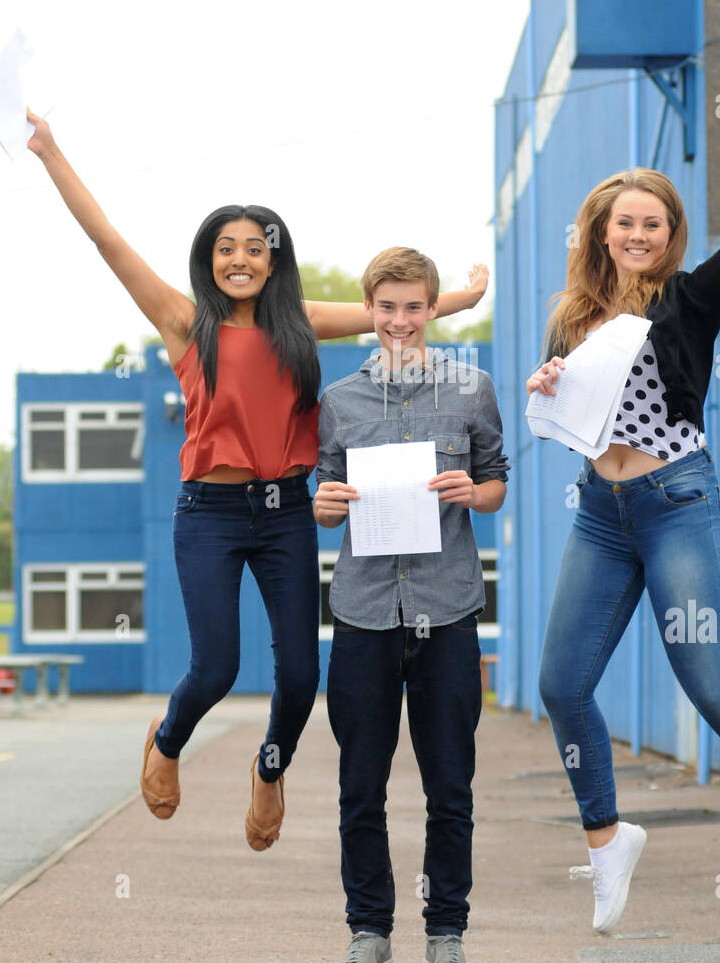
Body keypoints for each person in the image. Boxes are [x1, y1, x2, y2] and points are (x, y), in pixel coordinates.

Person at [26, 112, 488, 847]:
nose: (238, 258)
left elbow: (382, 316)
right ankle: (168, 740)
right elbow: (106, 240)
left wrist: (457, 300)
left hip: (285, 514)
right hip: (207, 513)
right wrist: (51, 152)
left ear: (273, 261)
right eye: (224, 248)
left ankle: (269, 768)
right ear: (208, 259)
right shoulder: (184, 322)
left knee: (300, 675)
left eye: (253, 248)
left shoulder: (296, 323)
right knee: (214, 666)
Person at [527, 100, 720, 934]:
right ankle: (606, 839)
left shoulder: (690, 299)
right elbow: (578, 415)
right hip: (601, 512)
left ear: (668, 236)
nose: (637, 234)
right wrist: (545, 389)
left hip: (676, 504)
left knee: (707, 681)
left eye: (653, 224)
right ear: (601, 231)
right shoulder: (570, 316)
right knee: (561, 683)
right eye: (624, 222)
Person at [313, 247, 509, 963]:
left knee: (448, 787)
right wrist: (321, 505)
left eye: (413, 307)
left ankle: (447, 934)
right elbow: (325, 499)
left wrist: (472, 492)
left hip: (447, 610)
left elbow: (495, 485)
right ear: (369, 310)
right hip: (363, 614)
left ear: (432, 309)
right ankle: (368, 933)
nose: (399, 321)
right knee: (359, 786)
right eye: (385, 307)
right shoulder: (338, 403)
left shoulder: (471, 390)